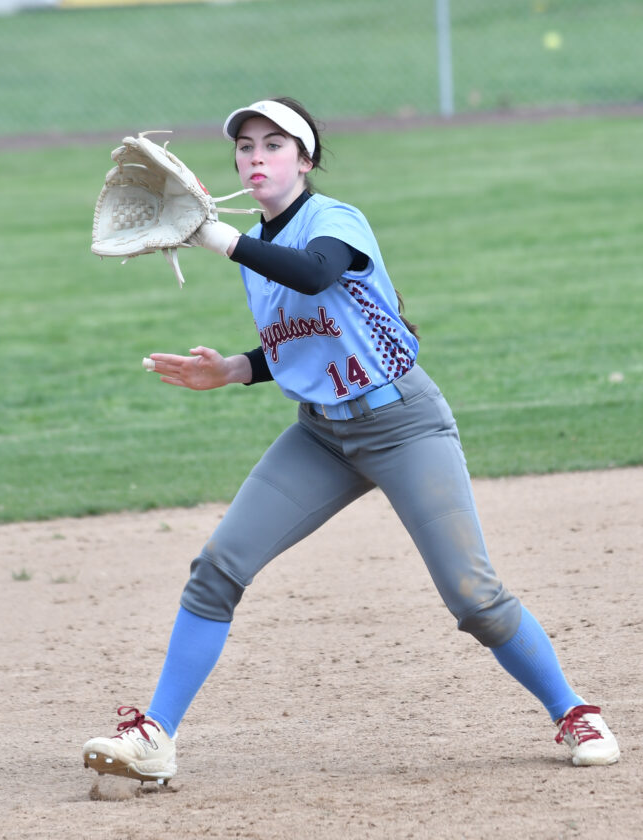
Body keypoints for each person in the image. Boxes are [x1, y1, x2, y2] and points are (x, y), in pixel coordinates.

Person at [82, 97, 619, 783]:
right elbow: (304, 338)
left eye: (274, 145)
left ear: (304, 161)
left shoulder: (331, 221)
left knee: (473, 598)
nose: (255, 157)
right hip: (322, 436)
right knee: (216, 570)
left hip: (403, 424)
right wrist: (235, 369)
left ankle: (572, 711)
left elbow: (315, 273)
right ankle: (156, 737)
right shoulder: (256, 249)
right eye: (245, 146)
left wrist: (216, 237)